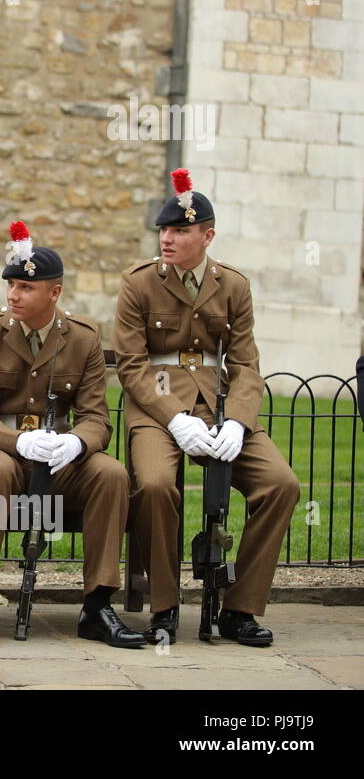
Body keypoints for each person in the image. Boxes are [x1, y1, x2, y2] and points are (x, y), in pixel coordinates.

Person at [114, 168, 299, 646]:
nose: (168, 238)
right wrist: (174, 416)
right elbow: (132, 366)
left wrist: (238, 421)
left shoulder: (233, 286)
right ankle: (165, 606)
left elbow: (245, 363)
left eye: (180, 231)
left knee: (281, 485)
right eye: (164, 229)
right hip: (159, 406)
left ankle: (240, 608)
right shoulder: (138, 283)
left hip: (219, 406)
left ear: (207, 235)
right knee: (154, 486)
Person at [0, 221, 143, 648]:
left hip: (57, 456)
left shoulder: (82, 338)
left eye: (24, 287)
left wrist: (76, 442)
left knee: (111, 475)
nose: (12, 295)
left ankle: (97, 605)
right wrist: (18, 440)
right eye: (11, 285)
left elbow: (96, 418)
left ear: (53, 294)